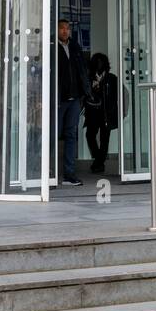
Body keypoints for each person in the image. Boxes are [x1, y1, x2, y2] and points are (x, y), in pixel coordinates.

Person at [55, 19, 90, 187]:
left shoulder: (75, 47)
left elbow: (82, 70)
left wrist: (86, 93)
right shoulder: (50, 46)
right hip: (58, 98)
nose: (65, 31)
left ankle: (69, 174)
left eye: (67, 28)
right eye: (61, 28)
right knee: (52, 134)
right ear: (56, 30)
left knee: (71, 135)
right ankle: (47, 172)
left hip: (74, 99)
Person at [84, 52, 119, 174]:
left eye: (101, 63)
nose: (99, 65)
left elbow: (116, 97)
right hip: (92, 112)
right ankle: (99, 159)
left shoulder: (112, 78)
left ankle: (99, 162)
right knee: (90, 135)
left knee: (105, 139)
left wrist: (115, 111)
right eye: (96, 63)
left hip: (106, 113)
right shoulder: (88, 78)